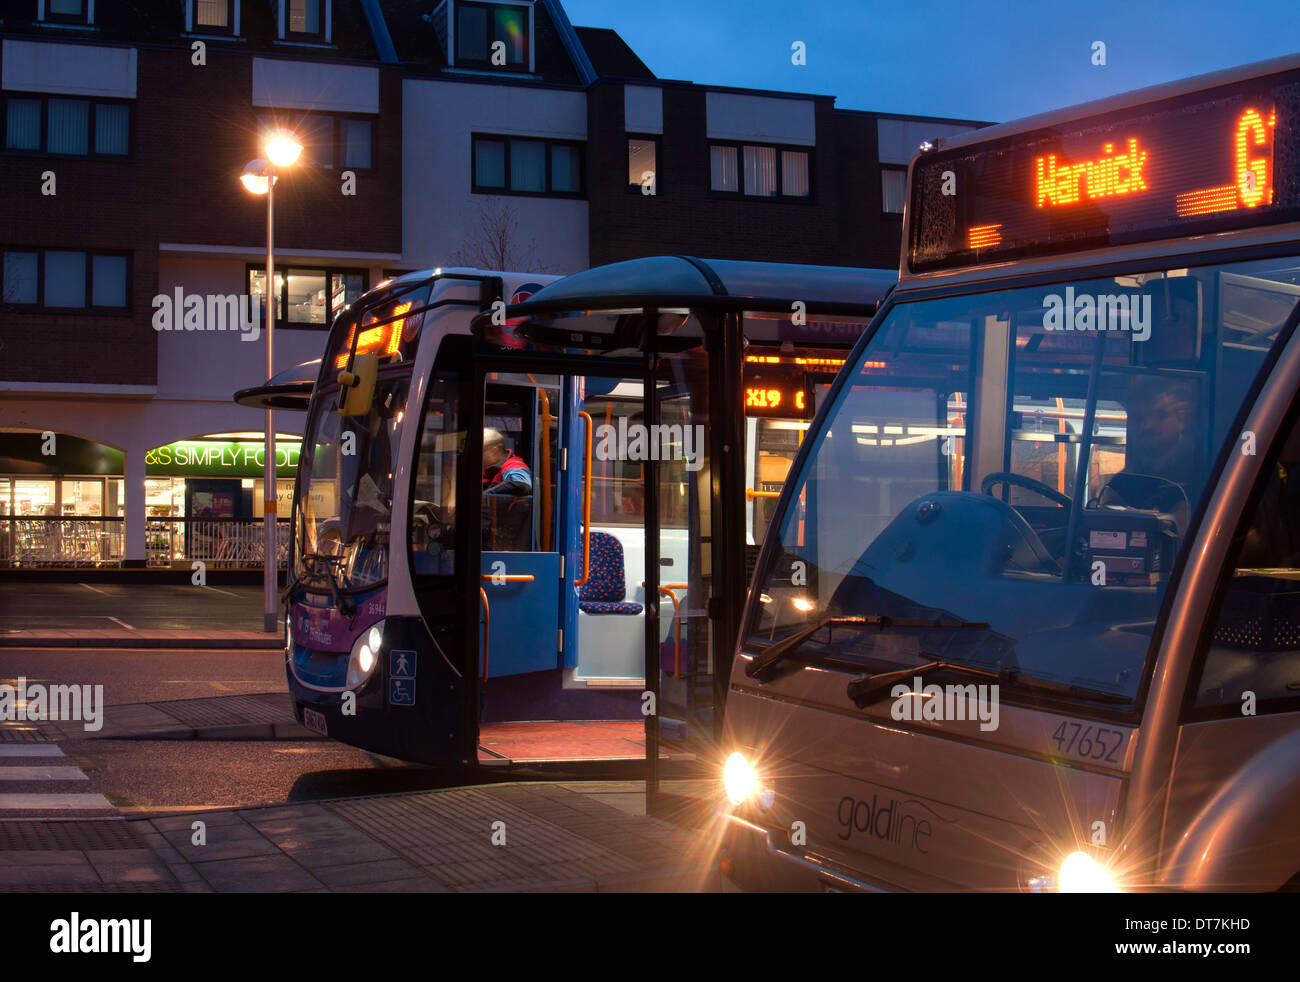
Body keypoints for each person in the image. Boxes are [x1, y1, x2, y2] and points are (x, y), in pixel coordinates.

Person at [482, 428, 531, 495]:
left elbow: (520, 484)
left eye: (482, 451)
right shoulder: (487, 466)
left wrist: (483, 498)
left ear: (495, 450)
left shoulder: (513, 464)